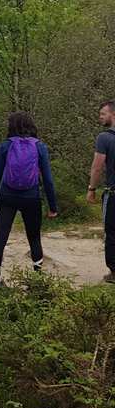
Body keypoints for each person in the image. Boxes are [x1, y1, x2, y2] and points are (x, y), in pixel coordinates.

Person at [0, 112, 58, 287]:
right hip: (31, 197)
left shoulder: (5, 146)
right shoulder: (40, 147)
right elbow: (48, 179)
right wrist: (52, 206)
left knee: (0, 238)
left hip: (6, 197)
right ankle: (37, 280)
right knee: (34, 238)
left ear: (11, 126)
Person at [86, 100, 115, 283]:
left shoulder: (104, 137)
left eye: (103, 114)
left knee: (111, 232)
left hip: (113, 193)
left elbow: (97, 167)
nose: (100, 117)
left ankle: (114, 272)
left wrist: (92, 189)